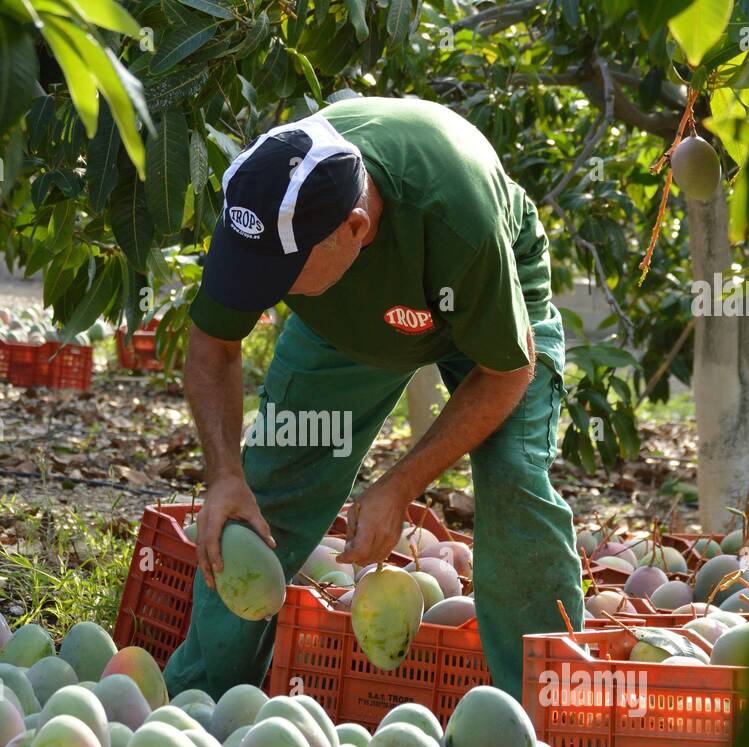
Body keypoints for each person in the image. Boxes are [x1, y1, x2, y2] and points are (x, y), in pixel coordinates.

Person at [163, 96, 584, 700]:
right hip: (344, 326)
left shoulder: (458, 222)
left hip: (481, 301)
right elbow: (213, 344)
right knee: (266, 493)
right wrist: (224, 474)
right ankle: (208, 703)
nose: (261, 295)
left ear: (354, 231)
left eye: (276, 278)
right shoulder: (264, 197)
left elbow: (504, 373)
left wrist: (400, 486)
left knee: (515, 483)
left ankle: (542, 717)